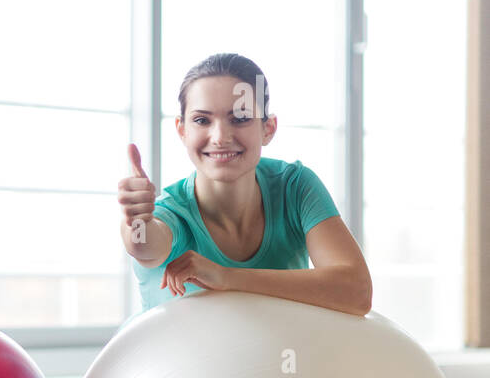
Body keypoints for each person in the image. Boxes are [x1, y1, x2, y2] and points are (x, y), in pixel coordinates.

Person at [118, 52, 372, 315]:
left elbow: (357, 291)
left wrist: (227, 278)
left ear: (268, 128)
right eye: (202, 120)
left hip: (281, 356)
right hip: (168, 356)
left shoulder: (294, 187)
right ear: (182, 130)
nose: (220, 137)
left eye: (240, 119)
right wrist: (137, 221)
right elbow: (144, 246)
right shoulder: (171, 212)